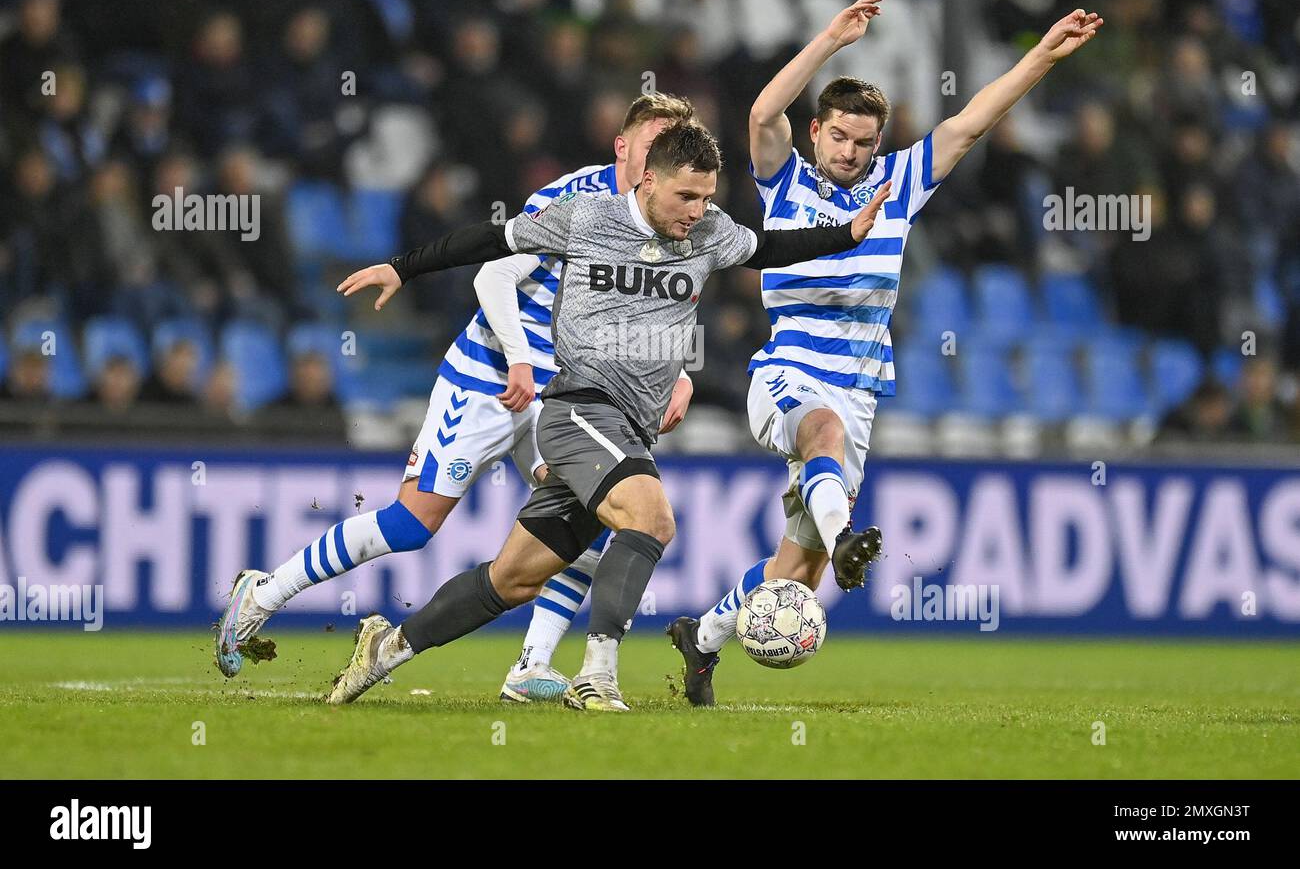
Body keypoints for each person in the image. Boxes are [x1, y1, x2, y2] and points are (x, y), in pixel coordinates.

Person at [324, 120, 892, 710]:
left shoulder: (710, 233)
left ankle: (386, 649)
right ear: (649, 180)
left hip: (628, 429)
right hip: (578, 409)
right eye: (686, 196)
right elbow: (492, 241)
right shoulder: (587, 217)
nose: (698, 210)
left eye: (706, 196)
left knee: (512, 580)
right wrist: (404, 266)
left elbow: (771, 247)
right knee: (652, 518)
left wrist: (848, 233)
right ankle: (597, 674)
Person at [666, 0, 1104, 705]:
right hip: (788, 372)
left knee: (792, 582)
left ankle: (703, 637)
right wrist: (831, 41)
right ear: (816, 132)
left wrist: (1045, 56)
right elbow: (757, 115)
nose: (849, 152)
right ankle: (846, 540)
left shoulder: (899, 184)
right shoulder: (786, 180)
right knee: (821, 433)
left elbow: (973, 120)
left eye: (864, 142)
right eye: (838, 136)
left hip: (861, 390)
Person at [212, 94, 696, 684]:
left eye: (672, 151)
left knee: (589, 519)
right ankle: (263, 594)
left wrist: (678, 373)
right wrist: (518, 357)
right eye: (653, 147)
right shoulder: (576, 200)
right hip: (491, 377)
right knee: (412, 525)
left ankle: (531, 666)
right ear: (622, 146)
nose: (661, 164)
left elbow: (649, 313)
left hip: (566, 396)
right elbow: (494, 273)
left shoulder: (666, 222)